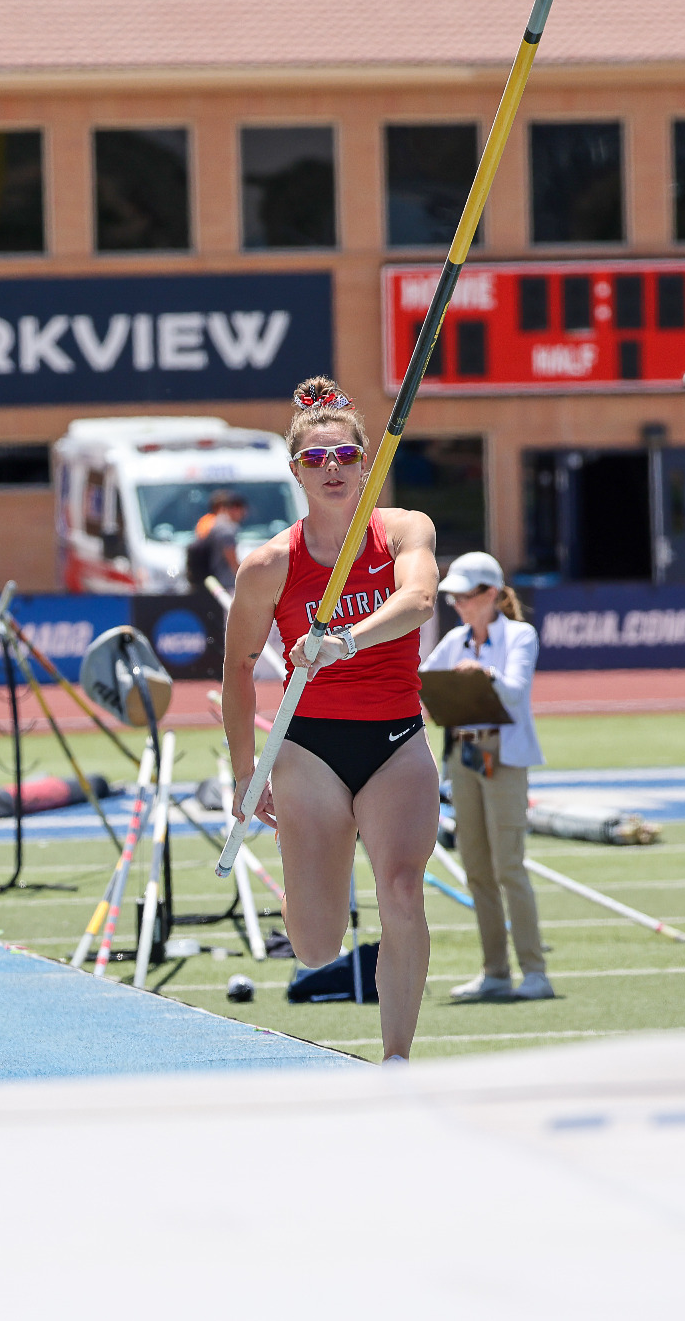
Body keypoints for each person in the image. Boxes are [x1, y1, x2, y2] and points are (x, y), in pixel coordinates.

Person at [222, 376, 440, 1063]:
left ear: (365, 462)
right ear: (295, 472)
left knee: (403, 891)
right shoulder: (267, 566)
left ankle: (398, 1060)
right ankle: (310, 867)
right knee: (316, 946)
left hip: (395, 738)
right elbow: (236, 668)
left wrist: (346, 638)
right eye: (316, 460)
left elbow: (421, 599)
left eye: (345, 456)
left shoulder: (404, 529)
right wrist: (243, 772)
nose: (333, 469)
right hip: (308, 747)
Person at [420, 551, 549, 1002]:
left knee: (509, 865)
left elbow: (515, 691)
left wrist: (484, 673)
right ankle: (495, 971)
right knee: (476, 867)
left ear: (490, 594)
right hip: (466, 754)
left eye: (465, 596)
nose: (457, 604)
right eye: (453, 597)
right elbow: (423, 680)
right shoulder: (455, 639)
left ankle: (535, 971)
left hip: (504, 753)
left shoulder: (520, 634)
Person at [187, 489, 249, 594]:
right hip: (225, 584)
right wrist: (246, 579)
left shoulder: (214, 524)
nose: (244, 513)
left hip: (214, 582)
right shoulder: (226, 529)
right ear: (235, 508)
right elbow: (232, 559)